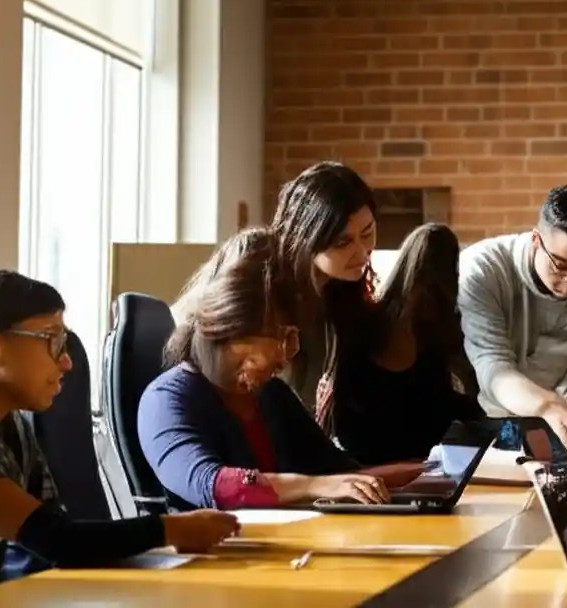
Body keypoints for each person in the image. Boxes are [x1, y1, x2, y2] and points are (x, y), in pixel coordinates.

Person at [0, 270, 239, 605]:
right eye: (52, 340)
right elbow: (55, 539)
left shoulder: (11, 426)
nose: (66, 362)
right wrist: (171, 528)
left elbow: (56, 536)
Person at [139, 228, 402, 511]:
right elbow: (212, 485)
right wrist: (316, 486)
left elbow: (343, 474)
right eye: (284, 334)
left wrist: (428, 473)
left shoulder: (272, 395)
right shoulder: (165, 399)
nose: (292, 350)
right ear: (235, 326)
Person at [458, 185, 567, 457]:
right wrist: (548, 405)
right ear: (536, 240)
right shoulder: (483, 268)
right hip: (470, 416)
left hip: (547, 421)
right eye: (560, 265)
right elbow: (492, 366)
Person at [329, 223, 486, 466]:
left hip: (403, 468)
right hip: (372, 470)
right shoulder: (362, 332)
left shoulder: (431, 340)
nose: (421, 299)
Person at [269, 161, 378, 412]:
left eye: (367, 232)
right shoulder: (268, 301)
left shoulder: (340, 296)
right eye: (343, 242)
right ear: (305, 238)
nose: (362, 253)